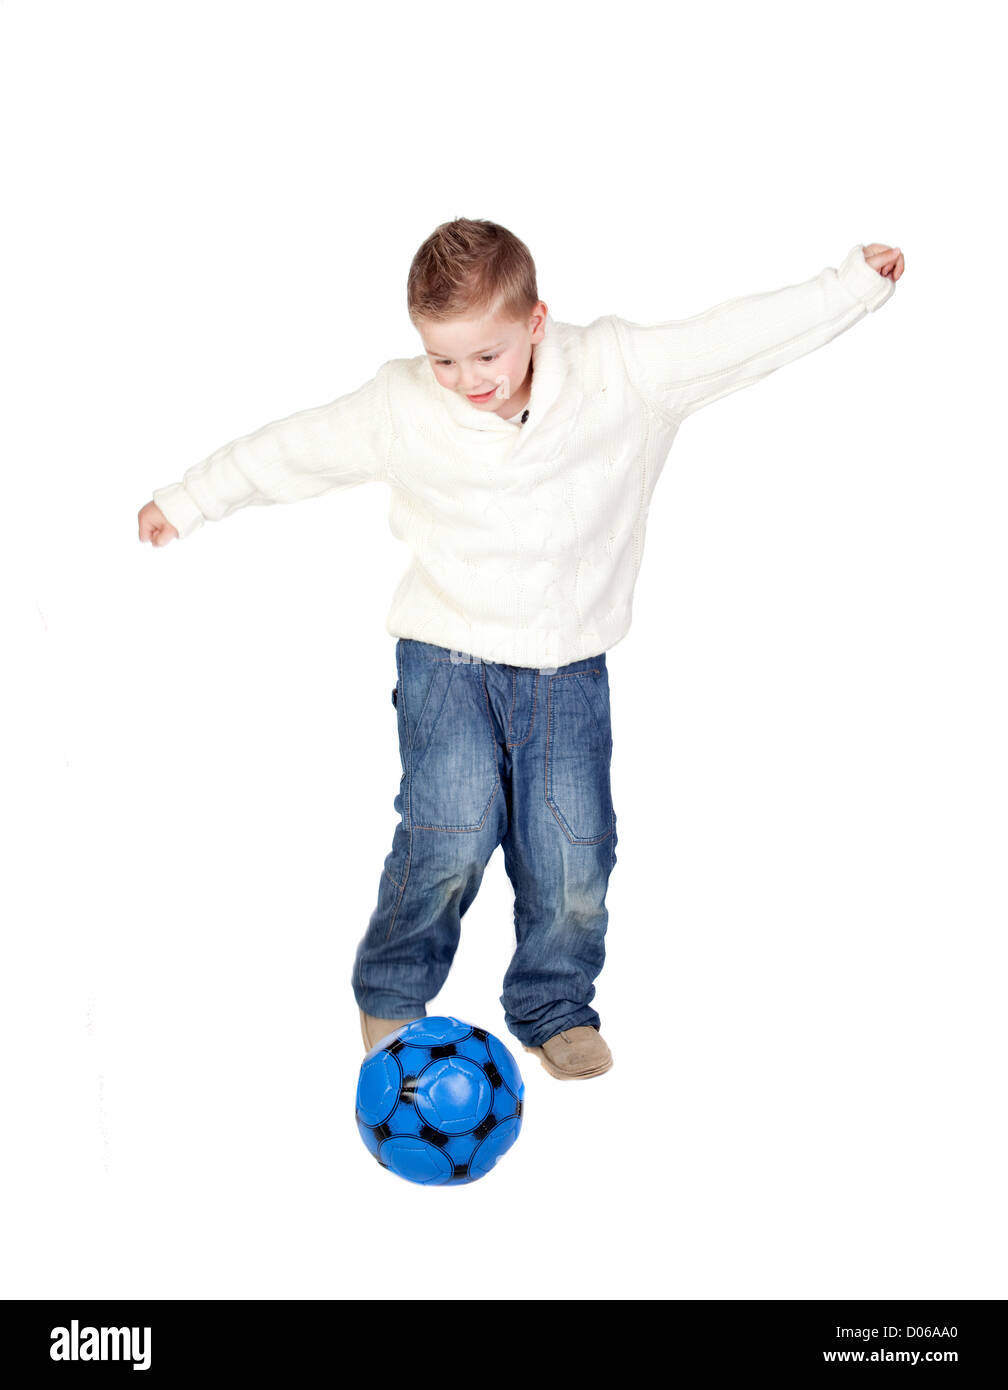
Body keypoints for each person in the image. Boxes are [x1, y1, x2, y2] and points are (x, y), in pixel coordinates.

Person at [138, 218, 904, 1079]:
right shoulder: (400, 404)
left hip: (565, 664)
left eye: (487, 355)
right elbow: (292, 449)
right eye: (444, 360)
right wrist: (187, 499)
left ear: (537, 322)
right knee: (453, 826)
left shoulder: (620, 373)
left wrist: (851, 287)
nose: (466, 380)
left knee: (573, 849)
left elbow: (732, 340)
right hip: (445, 655)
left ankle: (552, 1007)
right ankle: (392, 985)